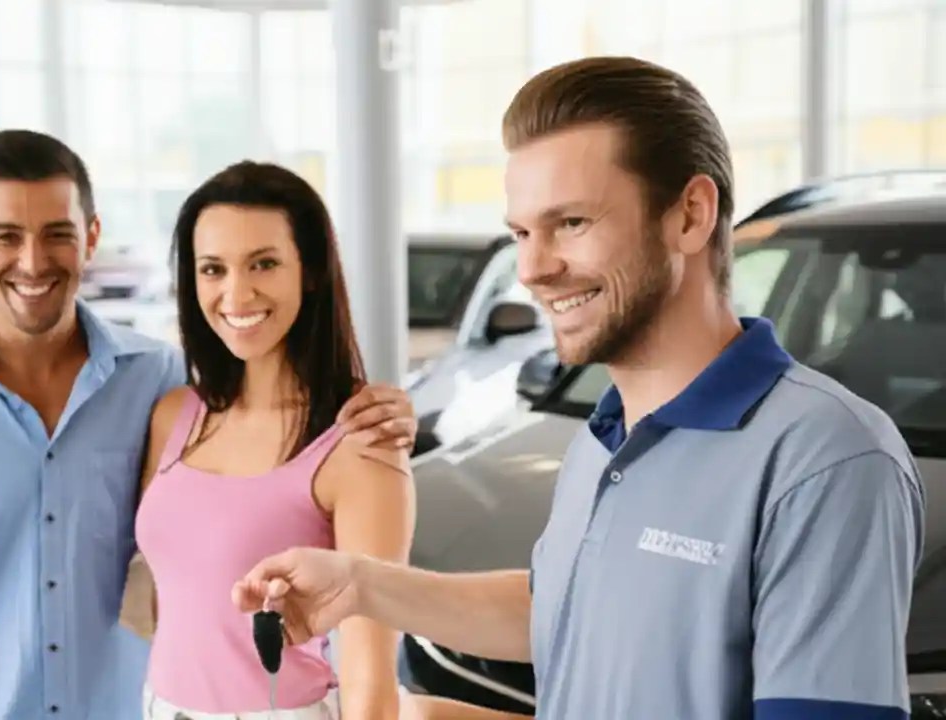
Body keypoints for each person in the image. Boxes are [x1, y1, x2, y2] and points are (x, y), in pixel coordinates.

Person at [233, 56, 926, 720]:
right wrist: (361, 586)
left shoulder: (828, 461)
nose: (532, 268)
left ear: (689, 215)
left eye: (571, 223)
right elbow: (567, 610)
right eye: (521, 232)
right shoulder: (605, 439)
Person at [0, 130, 418, 720]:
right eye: (6, 236)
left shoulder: (155, 380)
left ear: (91, 237)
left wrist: (387, 416)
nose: (33, 261)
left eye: (57, 233)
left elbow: (368, 655)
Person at [127, 160, 418, 720]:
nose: (237, 293)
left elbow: (371, 682)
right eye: (213, 269)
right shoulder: (174, 414)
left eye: (263, 264)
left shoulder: (360, 440)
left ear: (308, 271)